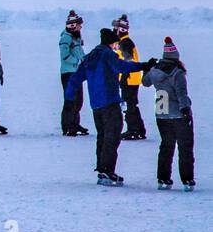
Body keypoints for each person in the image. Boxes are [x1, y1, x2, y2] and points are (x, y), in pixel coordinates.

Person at [65, 28, 155, 185]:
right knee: (112, 136)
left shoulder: (90, 56)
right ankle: (107, 171)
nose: (116, 47)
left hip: (96, 105)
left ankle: (102, 170)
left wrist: (69, 98)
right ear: (111, 43)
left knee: (102, 136)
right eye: (115, 44)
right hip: (110, 102)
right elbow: (123, 66)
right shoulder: (108, 55)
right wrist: (143, 66)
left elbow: (75, 78)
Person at [142, 38, 195, 190]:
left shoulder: (154, 71)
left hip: (161, 113)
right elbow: (181, 94)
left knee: (166, 146)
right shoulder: (177, 73)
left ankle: (163, 178)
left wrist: (147, 68)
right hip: (178, 115)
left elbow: (144, 82)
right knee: (185, 147)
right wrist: (185, 110)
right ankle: (187, 180)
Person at [114, 15, 147, 141]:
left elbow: (128, 61)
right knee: (132, 104)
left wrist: (124, 76)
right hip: (131, 78)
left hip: (129, 79)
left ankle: (133, 130)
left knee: (129, 105)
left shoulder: (125, 43)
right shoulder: (124, 42)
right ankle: (139, 129)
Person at [59, 10, 88, 136]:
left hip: (76, 73)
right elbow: (64, 56)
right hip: (68, 73)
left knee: (79, 100)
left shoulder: (76, 37)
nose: (81, 27)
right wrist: (77, 61)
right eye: (79, 24)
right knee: (70, 100)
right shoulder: (66, 38)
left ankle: (75, 123)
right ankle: (68, 126)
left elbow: (79, 52)